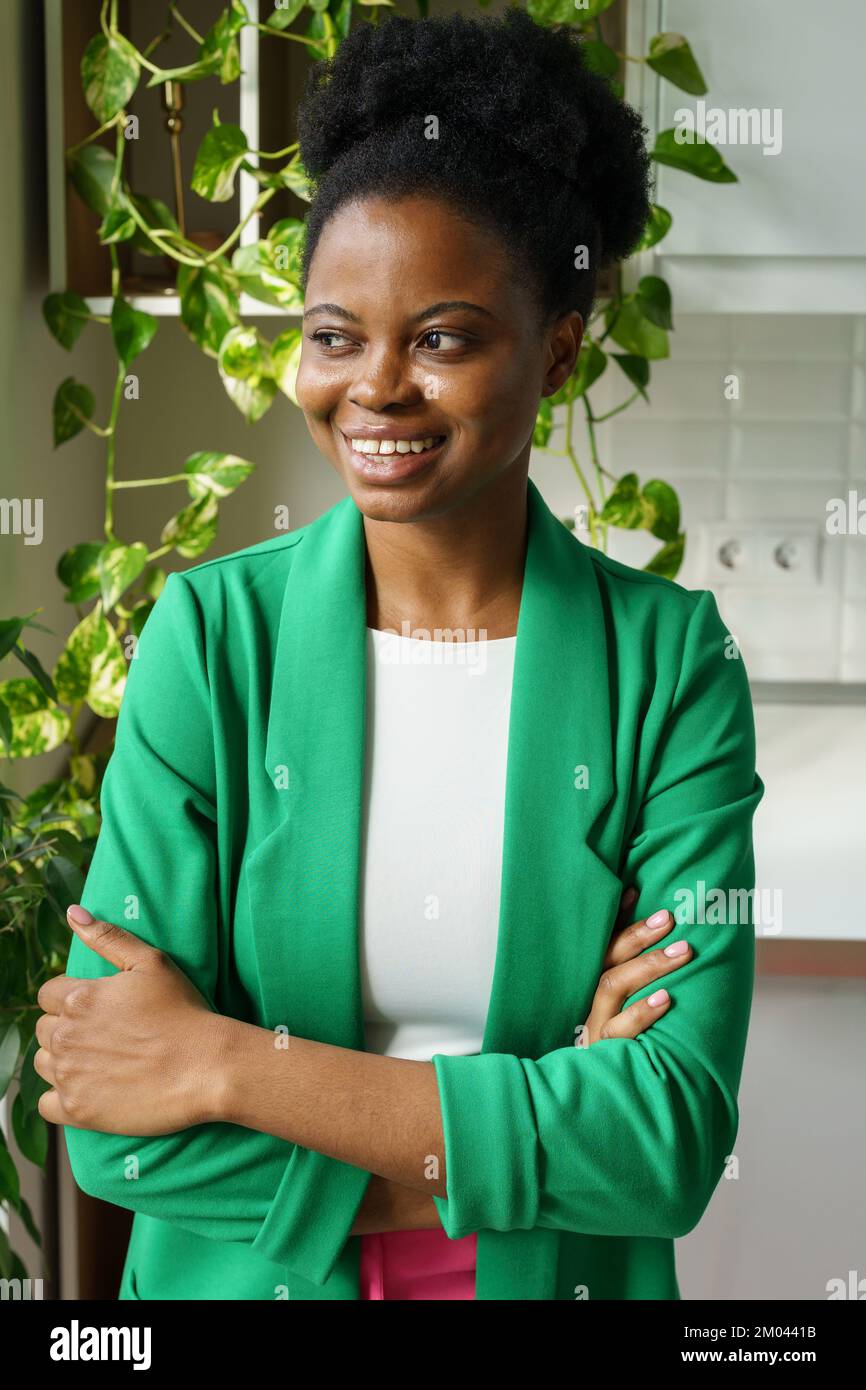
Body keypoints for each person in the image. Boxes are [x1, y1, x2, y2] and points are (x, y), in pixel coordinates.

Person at [36, 8, 763, 1301]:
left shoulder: (666, 666)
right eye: (333, 333)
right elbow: (106, 1122)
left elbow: (665, 1141)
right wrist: (527, 1123)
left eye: (440, 336)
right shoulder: (211, 646)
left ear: (553, 346)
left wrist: (228, 1065)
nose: (373, 386)